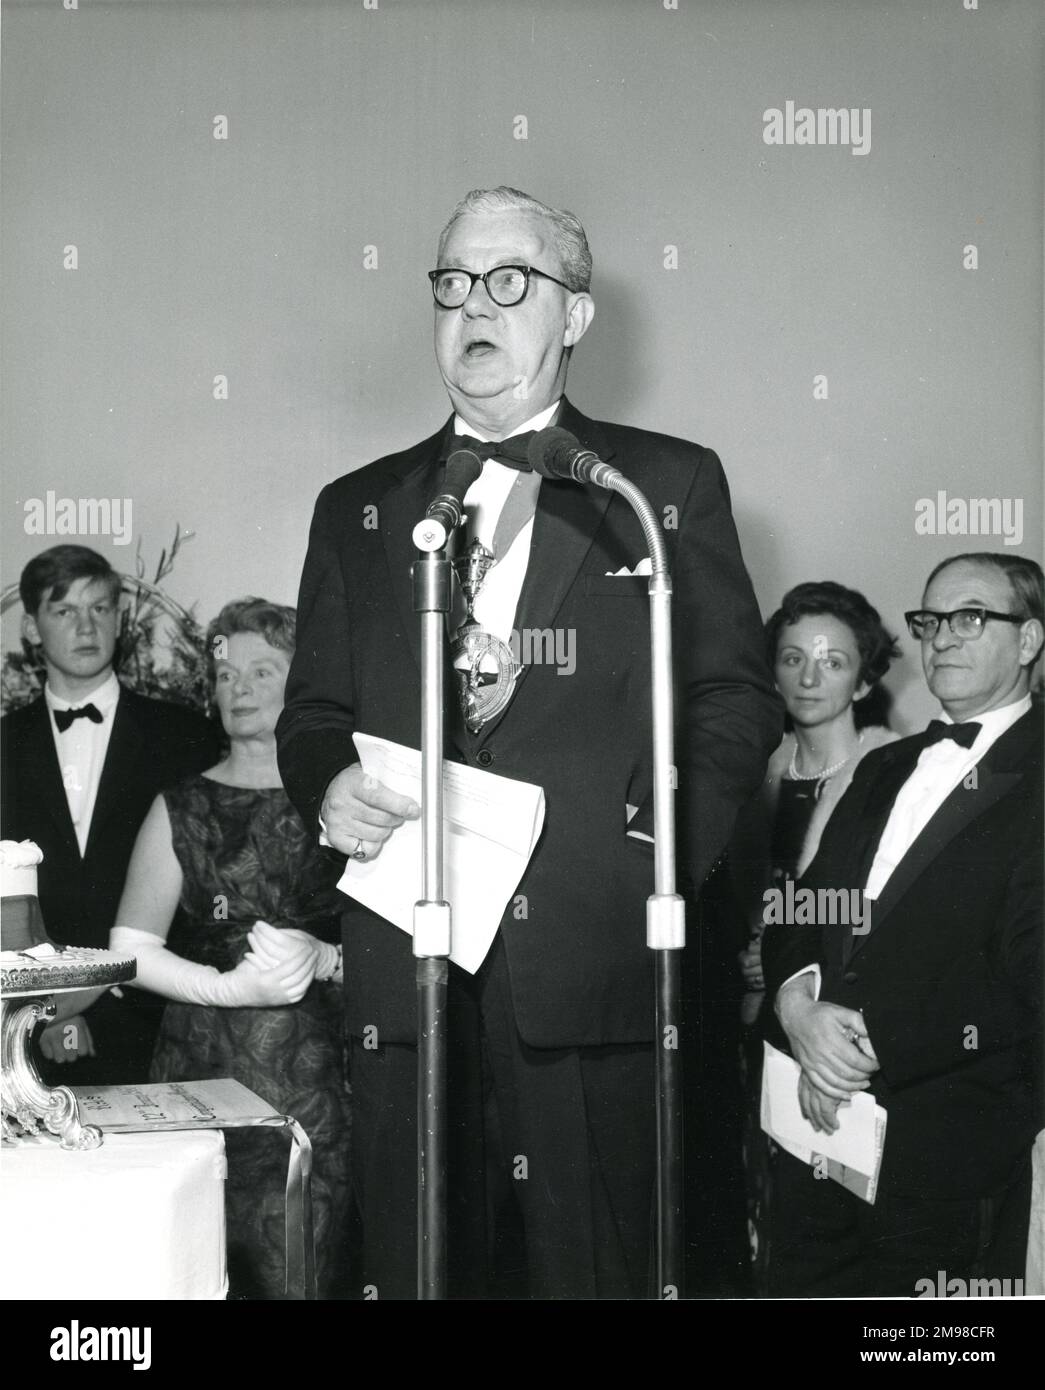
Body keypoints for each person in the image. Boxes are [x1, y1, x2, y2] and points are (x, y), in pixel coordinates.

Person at [276, 185, 783, 1299]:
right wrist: (328, 785)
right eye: (452, 283)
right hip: (408, 969)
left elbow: (732, 700)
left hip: (593, 966)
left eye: (509, 281)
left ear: (576, 315)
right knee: (418, 1270)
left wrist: (654, 859)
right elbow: (311, 713)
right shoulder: (357, 507)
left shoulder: (658, 486)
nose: (474, 307)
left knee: (594, 1273)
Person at [762, 552, 1043, 1297]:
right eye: (931, 620)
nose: (942, 637)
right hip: (813, 1137)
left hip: (945, 1150)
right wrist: (796, 1007)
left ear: (1028, 640)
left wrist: (862, 1044)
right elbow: (804, 906)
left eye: (971, 617)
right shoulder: (886, 765)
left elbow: (1027, 975)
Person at [108, 598, 352, 1300]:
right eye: (224, 674)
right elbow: (130, 948)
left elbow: (406, 948)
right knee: (197, 1268)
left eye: (261, 671)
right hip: (201, 1078)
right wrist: (224, 987)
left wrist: (328, 959)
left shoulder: (345, 803)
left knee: (309, 1268)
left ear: (301, 684)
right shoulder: (181, 806)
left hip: (324, 1084)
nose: (237, 688)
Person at [728, 580, 900, 1293]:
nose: (808, 677)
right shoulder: (753, 770)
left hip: (835, 1031)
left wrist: (781, 961)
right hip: (746, 1025)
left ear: (864, 680)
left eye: (832, 662)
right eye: (793, 658)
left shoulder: (892, 768)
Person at [0, 544, 219, 1084]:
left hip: (155, 1018)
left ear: (119, 621)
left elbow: (206, 889)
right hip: (19, 1028)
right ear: (30, 628)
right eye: (64, 611)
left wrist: (96, 992)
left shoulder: (187, 736)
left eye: (99, 608)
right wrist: (44, 1008)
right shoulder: (3, 743)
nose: (86, 627)